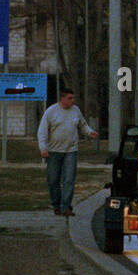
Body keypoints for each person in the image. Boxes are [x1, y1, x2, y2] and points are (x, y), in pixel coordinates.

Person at [37, 88, 98, 216]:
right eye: (70, 98)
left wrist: (89, 132)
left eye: (73, 98)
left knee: (69, 180)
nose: (72, 101)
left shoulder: (76, 110)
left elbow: (82, 125)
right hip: (53, 151)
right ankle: (56, 204)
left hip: (71, 150)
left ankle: (66, 206)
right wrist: (43, 148)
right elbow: (42, 131)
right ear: (62, 99)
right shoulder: (51, 111)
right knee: (53, 180)